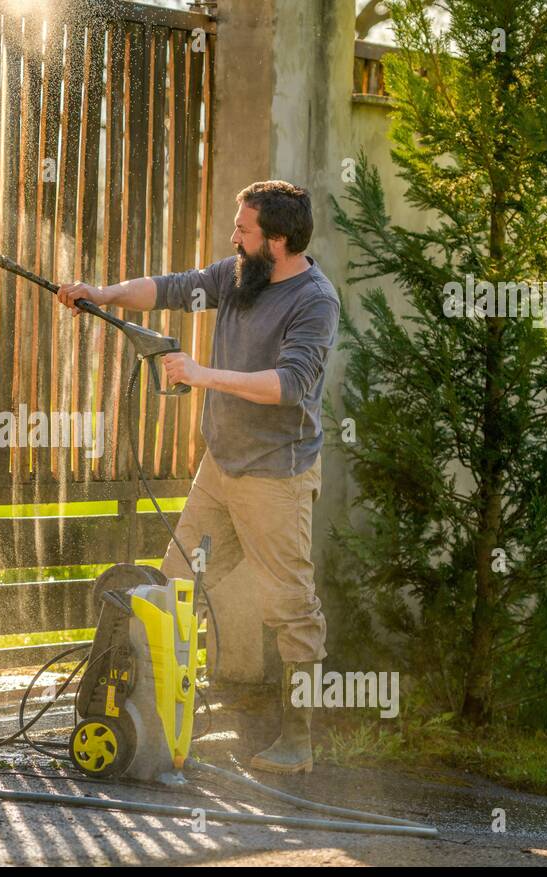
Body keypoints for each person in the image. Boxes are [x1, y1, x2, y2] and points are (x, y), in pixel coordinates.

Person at [56, 180, 340, 774]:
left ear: (278, 241)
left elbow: (290, 385)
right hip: (221, 467)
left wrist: (203, 374)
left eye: (244, 230)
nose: (233, 238)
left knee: (291, 607)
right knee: (174, 586)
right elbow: (172, 288)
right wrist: (99, 294)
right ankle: (157, 721)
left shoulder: (314, 301)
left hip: (275, 477)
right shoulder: (242, 272)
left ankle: (298, 741)